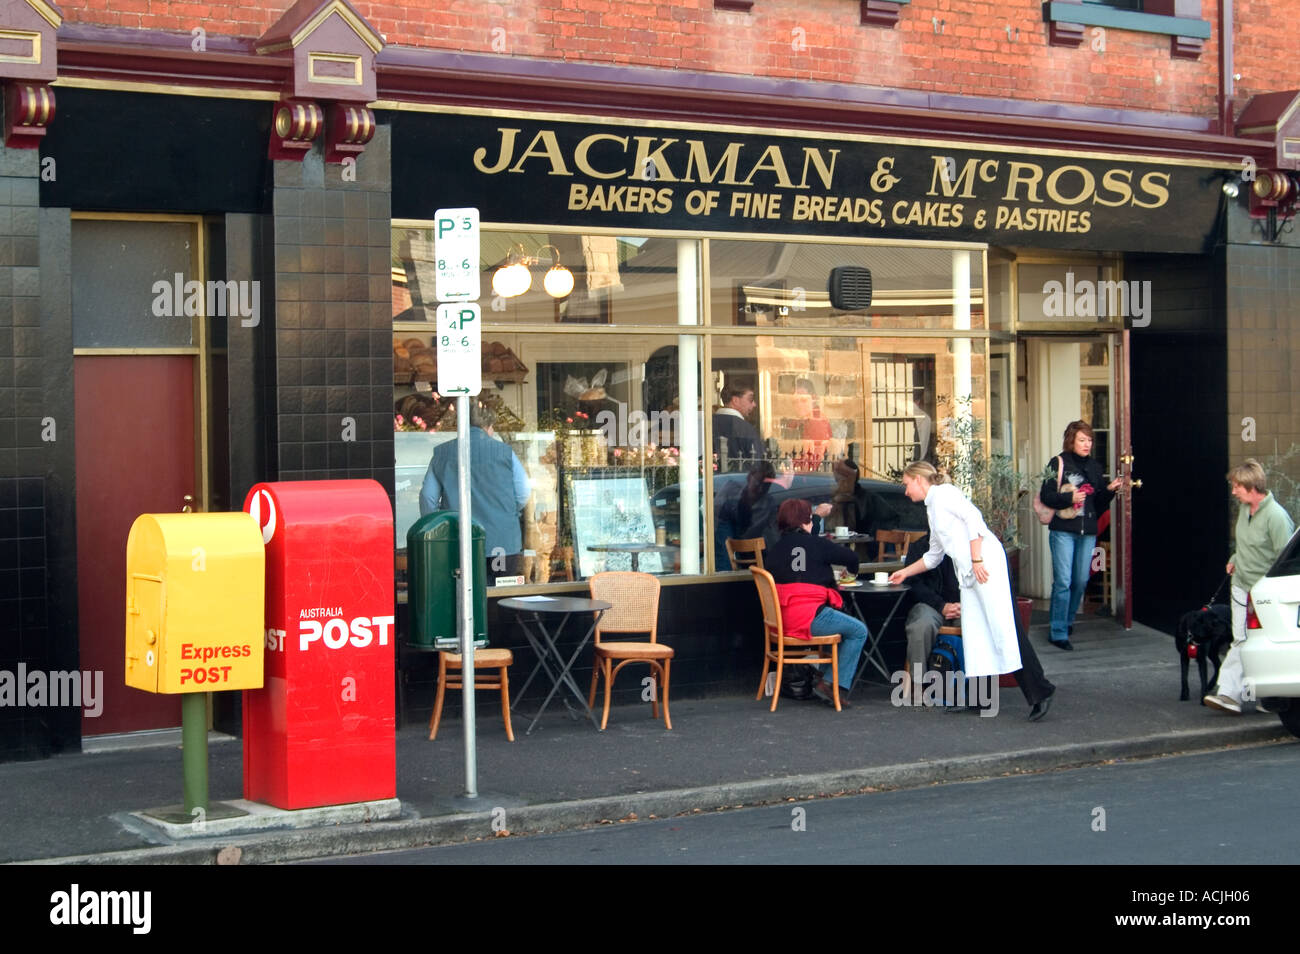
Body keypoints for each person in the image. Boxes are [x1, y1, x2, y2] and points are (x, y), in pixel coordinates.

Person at [890, 461, 1057, 721]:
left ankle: (1041, 691)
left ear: (919, 480)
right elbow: (934, 556)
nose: (905, 490)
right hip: (970, 570)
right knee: (977, 632)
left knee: (1004, 628)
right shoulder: (933, 507)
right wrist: (905, 572)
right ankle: (981, 698)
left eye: (906, 484)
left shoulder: (944, 494)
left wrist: (977, 560)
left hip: (984, 565)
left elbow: (974, 519)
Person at [1205, 459, 1295, 713]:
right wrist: (1234, 559)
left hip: (1262, 592)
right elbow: (1246, 545)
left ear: (1251, 487)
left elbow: (1283, 556)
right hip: (1241, 585)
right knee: (1244, 640)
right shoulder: (1245, 511)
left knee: (1249, 641)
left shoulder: (1276, 517)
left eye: (1237, 487)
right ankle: (1267, 697)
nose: (1233, 491)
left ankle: (1229, 694)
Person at [766, 498, 869, 707]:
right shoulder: (817, 544)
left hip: (780, 620)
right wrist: (849, 574)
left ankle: (823, 676)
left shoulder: (774, 549)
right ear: (806, 522)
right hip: (811, 617)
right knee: (858, 630)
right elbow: (852, 558)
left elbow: (800, 558)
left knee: (844, 626)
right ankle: (830, 683)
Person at [419, 400, 531, 584]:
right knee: (501, 596)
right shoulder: (505, 452)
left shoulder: (442, 453)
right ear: (488, 426)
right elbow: (523, 491)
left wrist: (438, 527)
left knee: (462, 592)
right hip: (502, 540)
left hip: (457, 540)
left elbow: (428, 497)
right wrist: (507, 512)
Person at [1039, 420, 1126, 650]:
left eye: (1089, 440)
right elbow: (1046, 495)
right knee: (1063, 582)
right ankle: (1058, 631)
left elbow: (1097, 504)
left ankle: (1067, 621)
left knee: (1080, 580)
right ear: (1071, 441)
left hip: (1087, 530)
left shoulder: (1095, 468)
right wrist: (1070, 498)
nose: (1087, 444)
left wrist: (1109, 491)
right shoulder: (1058, 463)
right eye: (1082, 440)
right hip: (1063, 531)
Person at [898, 534, 961, 704]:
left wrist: (964, 605)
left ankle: (976, 681)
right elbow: (913, 584)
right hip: (930, 604)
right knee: (921, 625)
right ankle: (919, 682)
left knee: (978, 625)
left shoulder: (967, 545)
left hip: (963, 605)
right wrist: (941, 605)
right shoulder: (919, 547)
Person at [713, 383, 761, 469]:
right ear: (735, 400)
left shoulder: (707, 425)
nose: (754, 404)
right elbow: (758, 465)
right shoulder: (747, 430)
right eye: (750, 399)